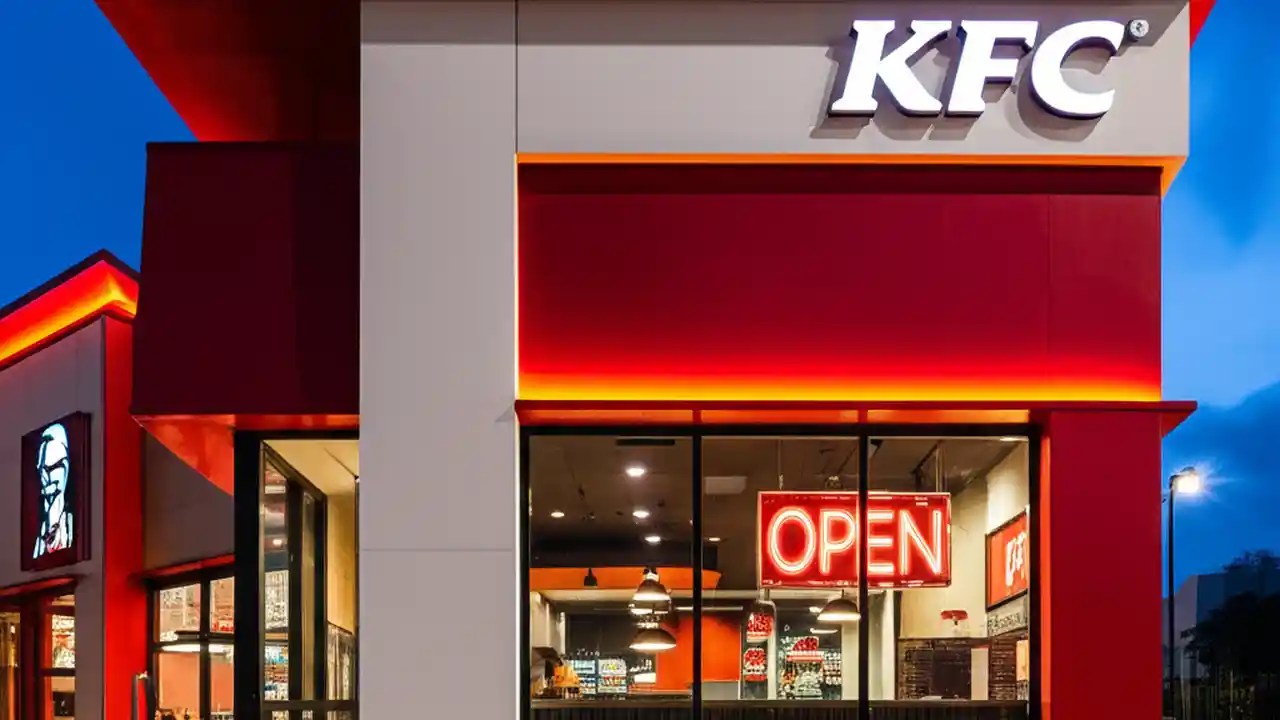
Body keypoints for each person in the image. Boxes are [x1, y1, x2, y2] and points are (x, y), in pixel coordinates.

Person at [33, 423, 73, 560]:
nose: (47, 479)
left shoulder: (69, 523)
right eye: (42, 470)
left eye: (53, 468)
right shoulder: (40, 531)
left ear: (66, 468)